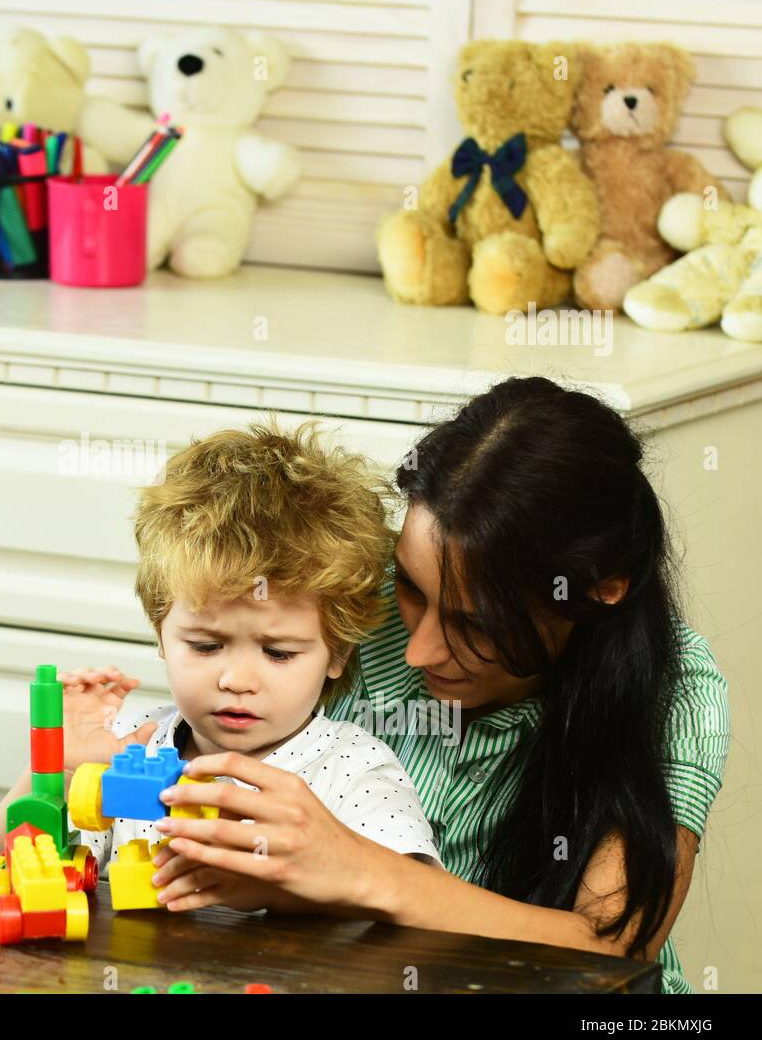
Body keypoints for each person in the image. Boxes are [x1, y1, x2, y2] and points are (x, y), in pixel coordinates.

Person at [118, 377, 729, 994]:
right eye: (411, 588)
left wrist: (363, 873)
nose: (418, 649)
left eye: (475, 623)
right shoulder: (342, 595)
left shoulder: (679, 692)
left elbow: (613, 949)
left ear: (596, 592)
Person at [0, 419, 439, 881]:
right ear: (161, 633)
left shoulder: (354, 768)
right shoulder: (130, 745)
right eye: (206, 645)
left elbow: (413, 897)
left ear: (336, 652)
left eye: (278, 653)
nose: (236, 680)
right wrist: (55, 775)